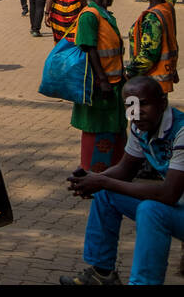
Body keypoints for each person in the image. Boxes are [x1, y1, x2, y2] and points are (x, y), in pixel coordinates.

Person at [61, 77, 184, 285]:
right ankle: (102, 274)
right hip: (177, 209)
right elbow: (125, 169)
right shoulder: (140, 126)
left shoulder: (181, 132)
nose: (136, 111)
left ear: (162, 103)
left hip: (175, 206)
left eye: (143, 103)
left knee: (150, 210)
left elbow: (168, 194)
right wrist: (93, 179)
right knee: (105, 195)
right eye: (130, 105)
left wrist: (103, 182)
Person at [71, 0, 126, 173]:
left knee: (113, 128)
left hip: (114, 80)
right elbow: (89, 48)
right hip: (100, 84)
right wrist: (102, 80)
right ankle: (93, 171)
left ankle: (112, 170)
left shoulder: (103, 14)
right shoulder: (89, 15)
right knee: (97, 128)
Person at [127, 0, 179, 94]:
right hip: (162, 77)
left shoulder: (152, 19)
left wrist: (129, 73)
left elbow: (148, 55)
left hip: (150, 82)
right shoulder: (166, 7)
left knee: (139, 113)